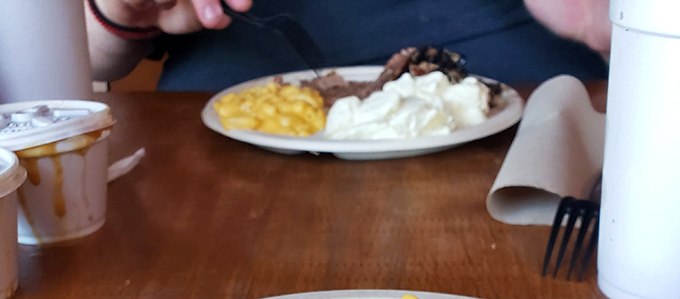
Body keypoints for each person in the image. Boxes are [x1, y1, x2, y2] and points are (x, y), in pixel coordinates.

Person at [85, 0, 611, 91]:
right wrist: (121, 13)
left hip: (540, 149)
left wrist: (616, 31)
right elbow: (89, 57)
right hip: (212, 173)